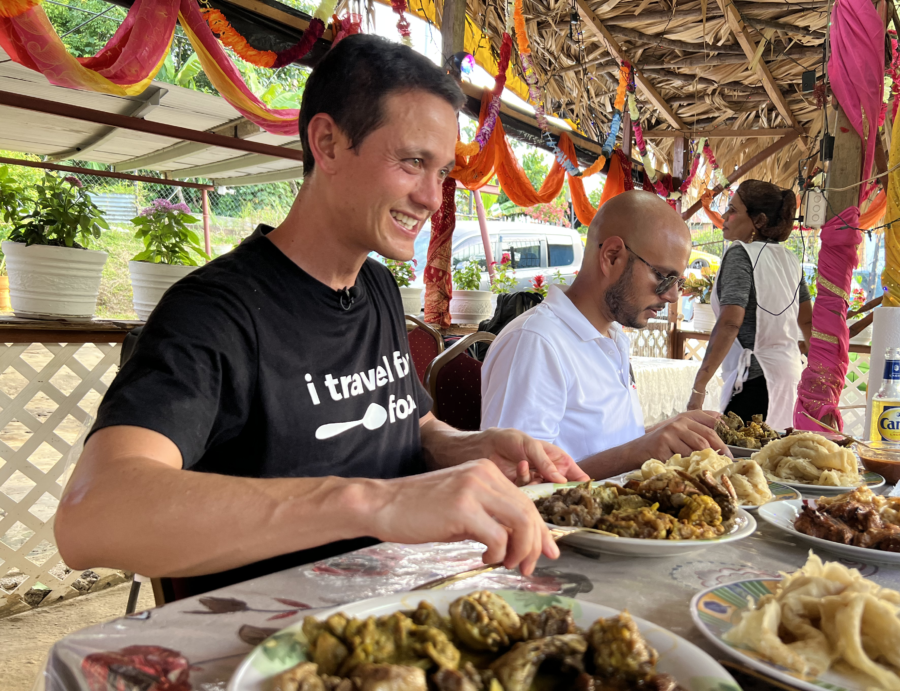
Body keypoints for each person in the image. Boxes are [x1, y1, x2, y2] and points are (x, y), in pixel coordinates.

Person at [53, 35, 586, 598]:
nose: (433, 196)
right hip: (269, 644)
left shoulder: (376, 285)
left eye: (442, 171)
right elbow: (92, 515)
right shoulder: (214, 313)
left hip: (395, 603)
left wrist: (472, 448)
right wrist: (367, 501)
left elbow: (408, 424)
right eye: (412, 162)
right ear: (327, 144)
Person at [480, 191, 729, 480]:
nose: (673, 295)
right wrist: (639, 451)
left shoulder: (612, 335)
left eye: (679, 282)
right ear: (612, 257)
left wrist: (665, 432)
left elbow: (605, 446)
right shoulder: (535, 342)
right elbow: (512, 482)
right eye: (664, 277)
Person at [686, 180, 812, 429]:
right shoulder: (790, 259)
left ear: (760, 220)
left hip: (755, 381)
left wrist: (699, 387)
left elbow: (730, 322)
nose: (724, 216)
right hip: (788, 377)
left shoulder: (740, 253)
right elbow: (807, 321)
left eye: (732, 210)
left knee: (739, 462)